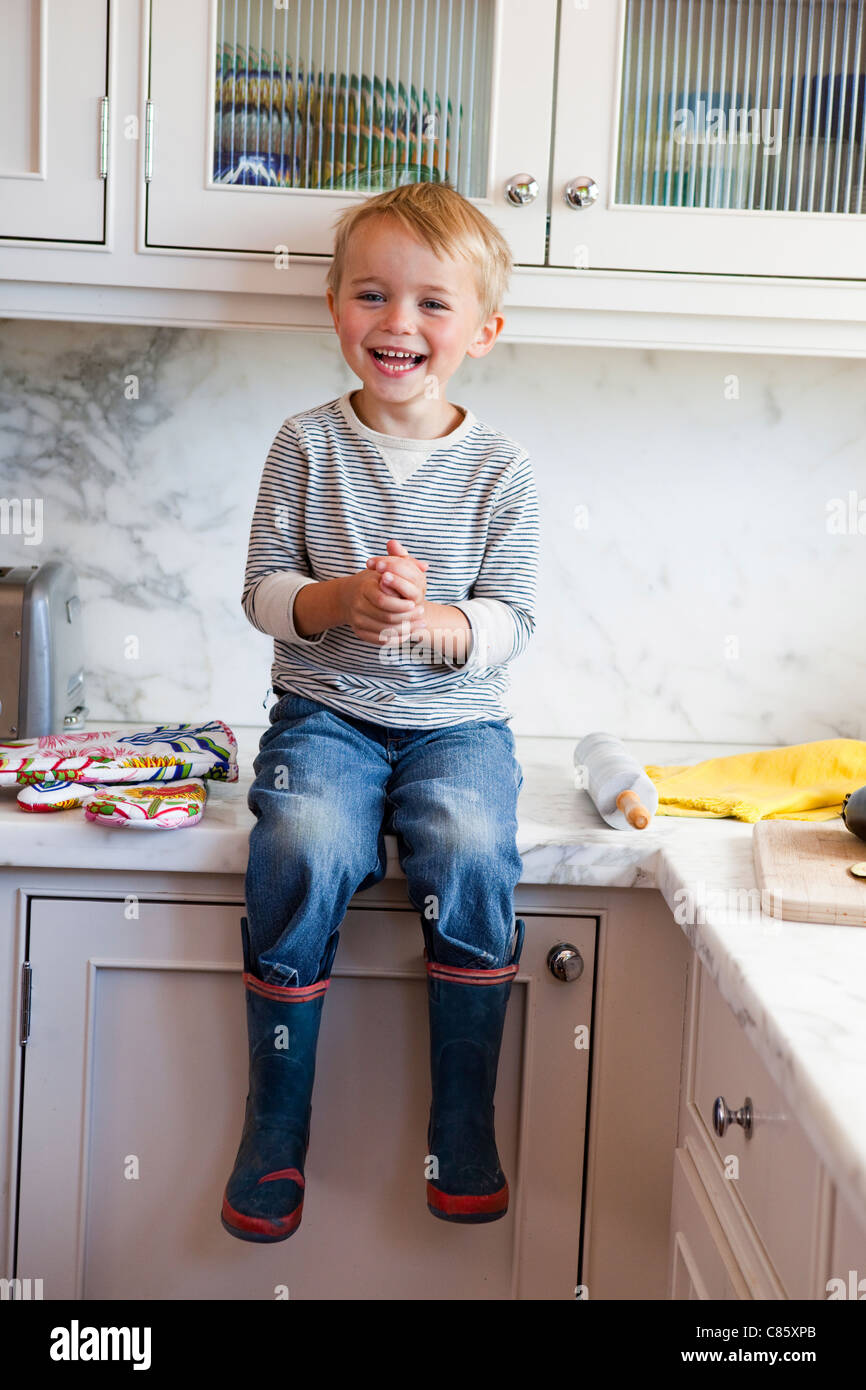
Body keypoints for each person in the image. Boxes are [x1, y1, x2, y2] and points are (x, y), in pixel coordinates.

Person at [222, 180, 539, 1243]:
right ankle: (273, 1125)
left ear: (483, 332)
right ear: (334, 307)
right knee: (307, 840)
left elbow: (511, 618)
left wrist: (436, 622)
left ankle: (461, 1122)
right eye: (371, 294)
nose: (397, 323)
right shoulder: (304, 446)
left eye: (431, 304)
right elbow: (263, 590)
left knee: (471, 844)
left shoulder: (500, 468)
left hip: (457, 724)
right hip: (326, 716)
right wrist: (339, 603)